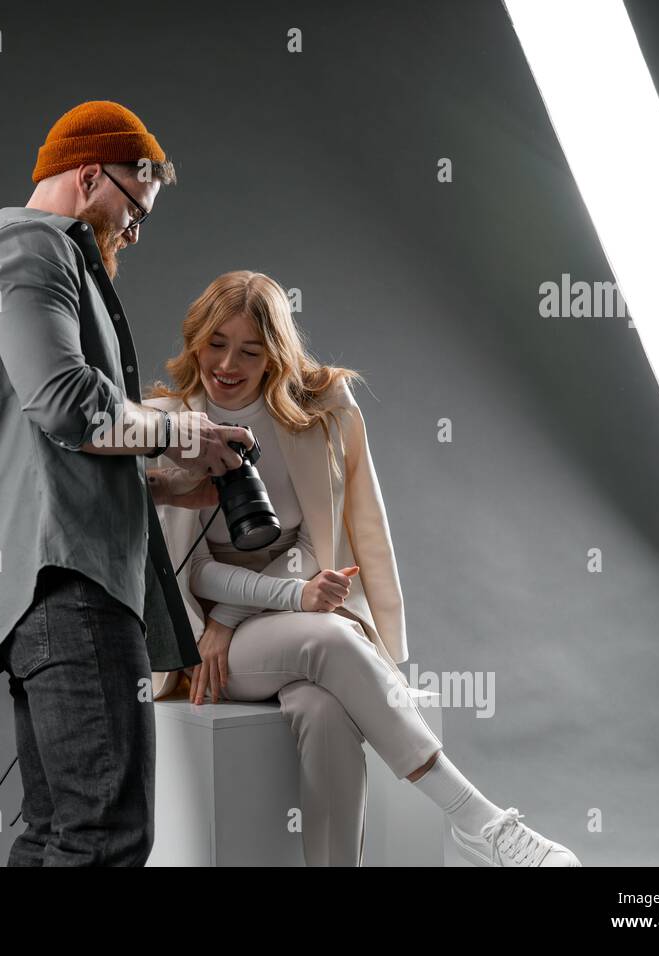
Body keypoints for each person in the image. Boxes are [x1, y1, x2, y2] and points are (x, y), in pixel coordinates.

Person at [145, 270, 583, 867]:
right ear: (195, 339)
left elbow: (315, 539)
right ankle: (477, 819)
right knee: (329, 637)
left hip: (280, 612)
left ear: (275, 355)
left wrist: (241, 609)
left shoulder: (317, 415)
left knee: (324, 710)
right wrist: (224, 618)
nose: (228, 364)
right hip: (212, 649)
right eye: (216, 343)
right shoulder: (165, 423)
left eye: (250, 350)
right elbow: (189, 570)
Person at [0, 100, 250, 866]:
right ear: (89, 176)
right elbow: (66, 405)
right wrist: (182, 427)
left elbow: (59, 450)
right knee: (103, 836)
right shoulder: (29, 250)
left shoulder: (36, 258)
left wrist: (179, 482)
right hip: (70, 588)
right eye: (134, 210)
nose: (133, 233)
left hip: (49, 588)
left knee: (58, 833)